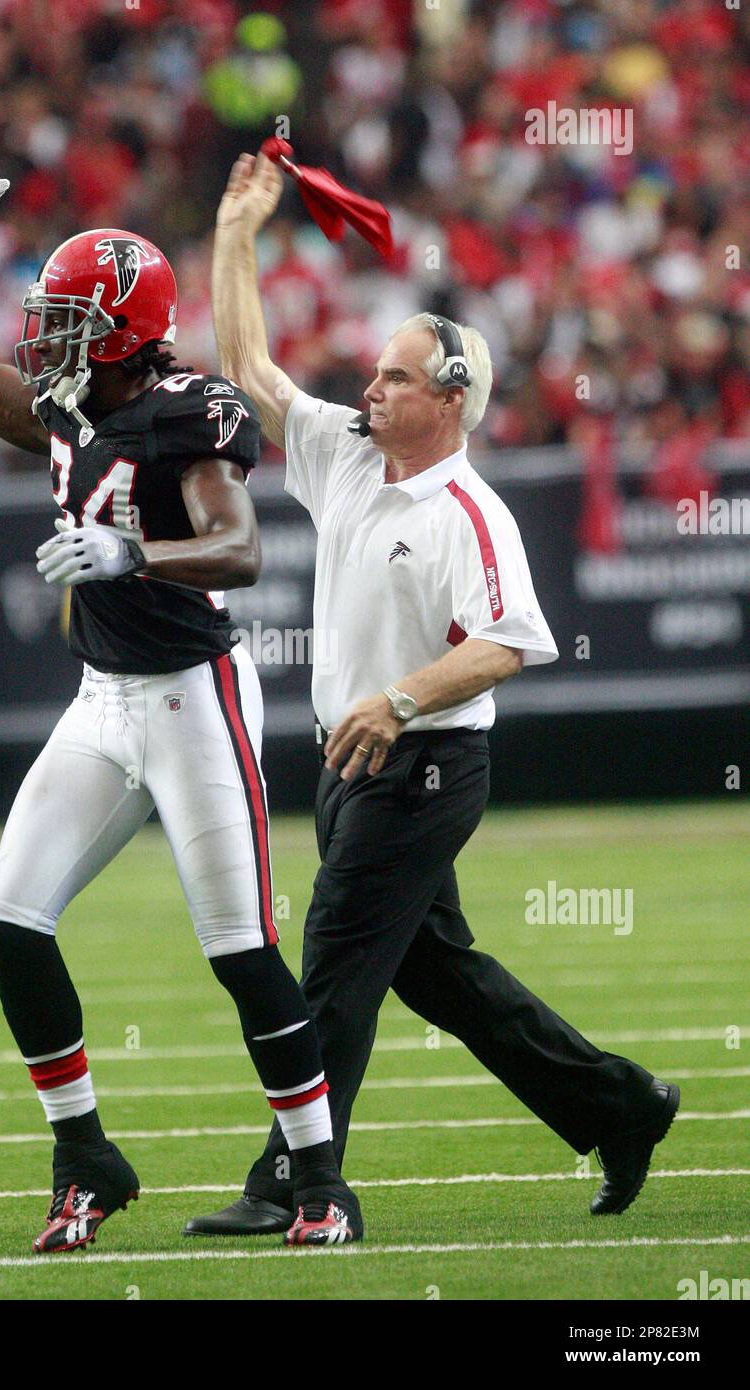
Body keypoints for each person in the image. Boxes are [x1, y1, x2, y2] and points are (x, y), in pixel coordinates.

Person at [185, 150, 679, 1238]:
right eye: (373, 374)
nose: (369, 389)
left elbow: (510, 638)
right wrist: (236, 232)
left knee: (332, 969)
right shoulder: (350, 458)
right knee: (439, 979)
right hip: (358, 760)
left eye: (395, 378)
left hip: (423, 762)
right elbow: (247, 366)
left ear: (451, 399)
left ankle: (295, 1184)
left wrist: (398, 700)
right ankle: (620, 1102)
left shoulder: (469, 511)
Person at [0, 168, 363, 1251]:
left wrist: (131, 550)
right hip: (102, 700)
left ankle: (318, 1181)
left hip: (191, 696)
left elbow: (243, 548)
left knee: (239, 945)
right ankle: (86, 1157)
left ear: (126, 331)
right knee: (8, 921)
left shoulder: (187, 411)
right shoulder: (71, 407)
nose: (49, 339)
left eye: (70, 321)